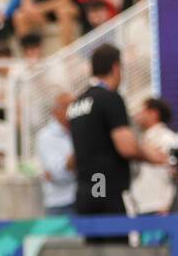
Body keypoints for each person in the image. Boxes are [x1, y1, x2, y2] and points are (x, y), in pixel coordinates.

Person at [68, 44, 166, 216]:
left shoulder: (76, 103)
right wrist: (154, 157)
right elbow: (127, 147)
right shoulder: (109, 98)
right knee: (117, 243)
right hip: (107, 191)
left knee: (94, 244)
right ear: (116, 67)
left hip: (86, 191)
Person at [126, 97, 178, 215]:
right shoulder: (140, 140)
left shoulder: (168, 139)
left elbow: (174, 174)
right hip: (139, 207)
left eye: (141, 110)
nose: (136, 115)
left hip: (159, 207)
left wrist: (167, 204)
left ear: (154, 113)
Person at [35, 91, 76, 214]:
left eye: (74, 105)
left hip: (79, 200)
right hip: (59, 204)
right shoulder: (45, 136)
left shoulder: (79, 131)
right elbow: (57, 174)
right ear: (55, 111)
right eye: (67, 106)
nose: (72, 110)